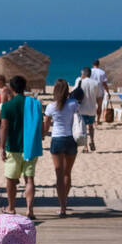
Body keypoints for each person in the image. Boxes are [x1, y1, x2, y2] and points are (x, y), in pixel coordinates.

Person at [0, 75, 43, 217]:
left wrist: (1, 147)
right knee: (29, 179)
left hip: (13, 147)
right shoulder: (34, 103)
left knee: (11, 179)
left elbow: (4, 128)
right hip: (30, 147)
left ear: (11, 88)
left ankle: (11, 207)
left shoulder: (7, 106)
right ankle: (30, 210)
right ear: (24, 87)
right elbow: (40, 125)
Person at [43, 79, 82, 217]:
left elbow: (46, 126)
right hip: (71, 139)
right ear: (67, 91)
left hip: (57, 139)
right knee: (67, 173)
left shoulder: (50, 106)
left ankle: (62, 207)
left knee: (59, 174)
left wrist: (42, 135)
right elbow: (78, 118)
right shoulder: (73, 104)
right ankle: (65, 202)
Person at [74, 66, 101, 152]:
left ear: (84, 74)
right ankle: (92, 140)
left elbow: (74, 92)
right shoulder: (96, 83)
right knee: (91, 126)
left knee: (84, 128)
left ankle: (86, 147)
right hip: (92, 109)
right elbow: (99, 96)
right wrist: (99, 107)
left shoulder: (80, 81)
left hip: (82, 109)